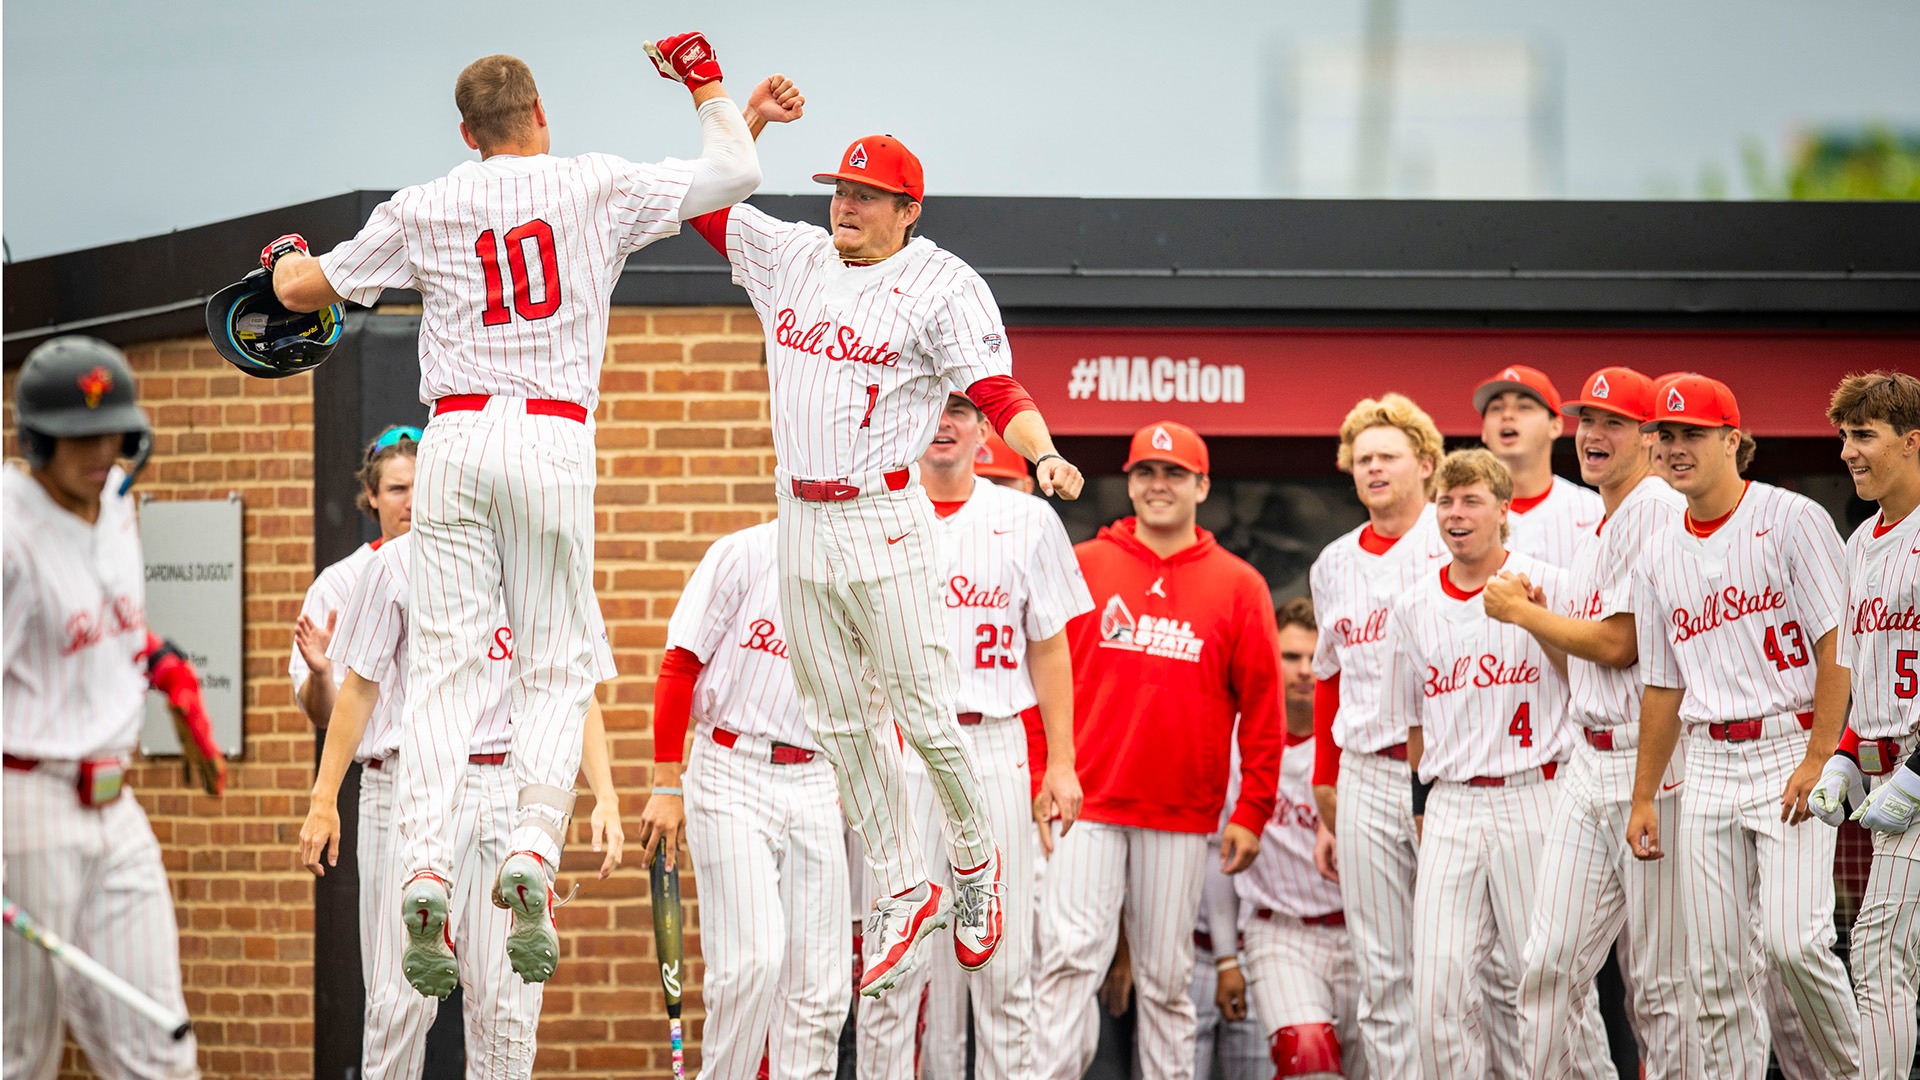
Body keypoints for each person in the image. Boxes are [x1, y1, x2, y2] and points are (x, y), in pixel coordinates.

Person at [262, 40, 764, 987]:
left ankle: (423, 867)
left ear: (465, 134)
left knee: (446, 674)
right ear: (540, 112)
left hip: (451, 437)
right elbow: (737, 169)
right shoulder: (592, 183)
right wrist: (704, 81)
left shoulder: (424, 203)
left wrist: (291, 257)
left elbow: (295, 291)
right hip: (551, 434)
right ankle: (534, 846)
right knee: (556, 662)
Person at [684, 131, 1085, 998]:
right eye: (840, 189)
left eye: (866, 194)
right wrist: (728, 112)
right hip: (799, 513)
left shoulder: (942, 282)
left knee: (925, 714)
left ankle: (975, 867)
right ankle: (907, 882)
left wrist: (1044, 454)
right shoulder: (795, 254)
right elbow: (703, 207)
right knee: (839, 724)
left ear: (908, 210)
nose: (846, 205)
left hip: (882, 514)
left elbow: (996, 391)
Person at [295, 525, 622, 1072]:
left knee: (509, 1008)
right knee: (398, 1004)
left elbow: (576, 692)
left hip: (513, 783)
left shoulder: (556, 560)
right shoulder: (396, 563)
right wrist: (323, 796)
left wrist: (607, 795)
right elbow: (359, 685)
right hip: (425, 780)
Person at [1031, 421, 1283, 1080]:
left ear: (1202, 485)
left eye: (1174, 473)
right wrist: (1041, 773)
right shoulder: (1083, 563)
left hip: (1179, 812)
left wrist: (1253, 808)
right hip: (1087, 802)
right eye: (1146, 472)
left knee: (1169, 982)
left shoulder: (1239, 584)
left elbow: (1263, 709)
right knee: (1067, 963)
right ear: (1130, 481)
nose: (1158, 485)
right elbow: (1037, 681)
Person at [1625, 375, 1860, 1080]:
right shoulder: (1658, 551)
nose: (1674, 447)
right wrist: (1643, 794)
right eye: (1663, 435)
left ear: (1733, 439)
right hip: (1708, 762)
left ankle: (1861, 1072)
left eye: (1691, 433)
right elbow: (1663, 685)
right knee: (1717, 973)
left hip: (1791, 741)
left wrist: (1822, 753)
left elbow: (1838, 646)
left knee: (1796, 944)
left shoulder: (1792, 518)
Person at [3, 336, 225, 1079]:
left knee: (159, 1044)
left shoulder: (117, 502)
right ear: (36, 442)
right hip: (24, 803)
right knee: (20, 1051)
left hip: (115, 803)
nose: (100, 451)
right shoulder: (10, 533)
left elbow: (115, 629)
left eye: (112, 431)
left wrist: (172, 680)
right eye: (78, 436)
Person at [856, 394, 1091, 1080]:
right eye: (930, 406)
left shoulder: (1027, 520)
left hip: (992, 746)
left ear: (986, 429)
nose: (944, 421)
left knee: (1006, 968)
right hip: (903, 756)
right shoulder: (874, 514)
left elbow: (1050, 649)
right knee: (893, 969)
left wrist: (1063, 764)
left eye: (961, 408)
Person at [1484, 367, 1693, 1078]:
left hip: (1654, 760)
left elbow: (1620, 643)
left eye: (1614, 422)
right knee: (1546, 964)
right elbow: (1586, 663)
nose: (1593, 435)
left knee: (1662, 985)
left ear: (1648, 438)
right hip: (1590, 757)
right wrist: (1547, 618)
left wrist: (1525, 613)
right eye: (1587, 420)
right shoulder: (1605, 523)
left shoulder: (1658, 507)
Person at [634, 521, 853, 1080]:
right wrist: (666, 781)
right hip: (732, 763)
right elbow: (679, 664)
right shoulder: (744, 552)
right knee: (753, 962)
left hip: (815, 773)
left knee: (822, 985)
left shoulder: (872, 567)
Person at [1305, 393, 1448, 1077]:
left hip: (1445, 772)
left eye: (1388, 457)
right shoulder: (1333, 561)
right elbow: (1327, 677)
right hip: (1363, 767)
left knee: (1458, 962)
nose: (1373, 469)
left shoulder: (1453, 540)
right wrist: (1323, 780)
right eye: (1362, 460)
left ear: (1426, 463)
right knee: (1381, 967)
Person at [1806, 371, 1920, 1079]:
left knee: (1878, 953)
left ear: (1912, 442)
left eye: (1865, 434)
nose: (1849, 450)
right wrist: (1843, 759)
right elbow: (1865, 679)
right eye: (1844, 434)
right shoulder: (1857, 545)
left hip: (1915, 770)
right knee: (1885, 955)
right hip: (1888, 771)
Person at [1233, 598, 1363, 1080]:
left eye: (1315, 658)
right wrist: (1228, 955)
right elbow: (1218, 854)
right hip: (1281, 929)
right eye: (1290, 657)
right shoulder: (1237, 738)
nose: (1305, 670)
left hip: (1362, 929)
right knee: (1308, 1058)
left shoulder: (1360, 738)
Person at [290, 426, 417, 731]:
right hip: (382, 770)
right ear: (372, 494)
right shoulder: (338, 583)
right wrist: (321, 675)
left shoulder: (471, 572)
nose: (412, 502)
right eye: (397, 489)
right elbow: (322, 716)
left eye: (422, 486)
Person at [1474, 365, 1604, 568]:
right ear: (1483, 430)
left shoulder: (1595, 511)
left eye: (1524, 406)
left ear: (1556, 426)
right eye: (1496, 408)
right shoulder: (1456, 515)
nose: (1507, 415)